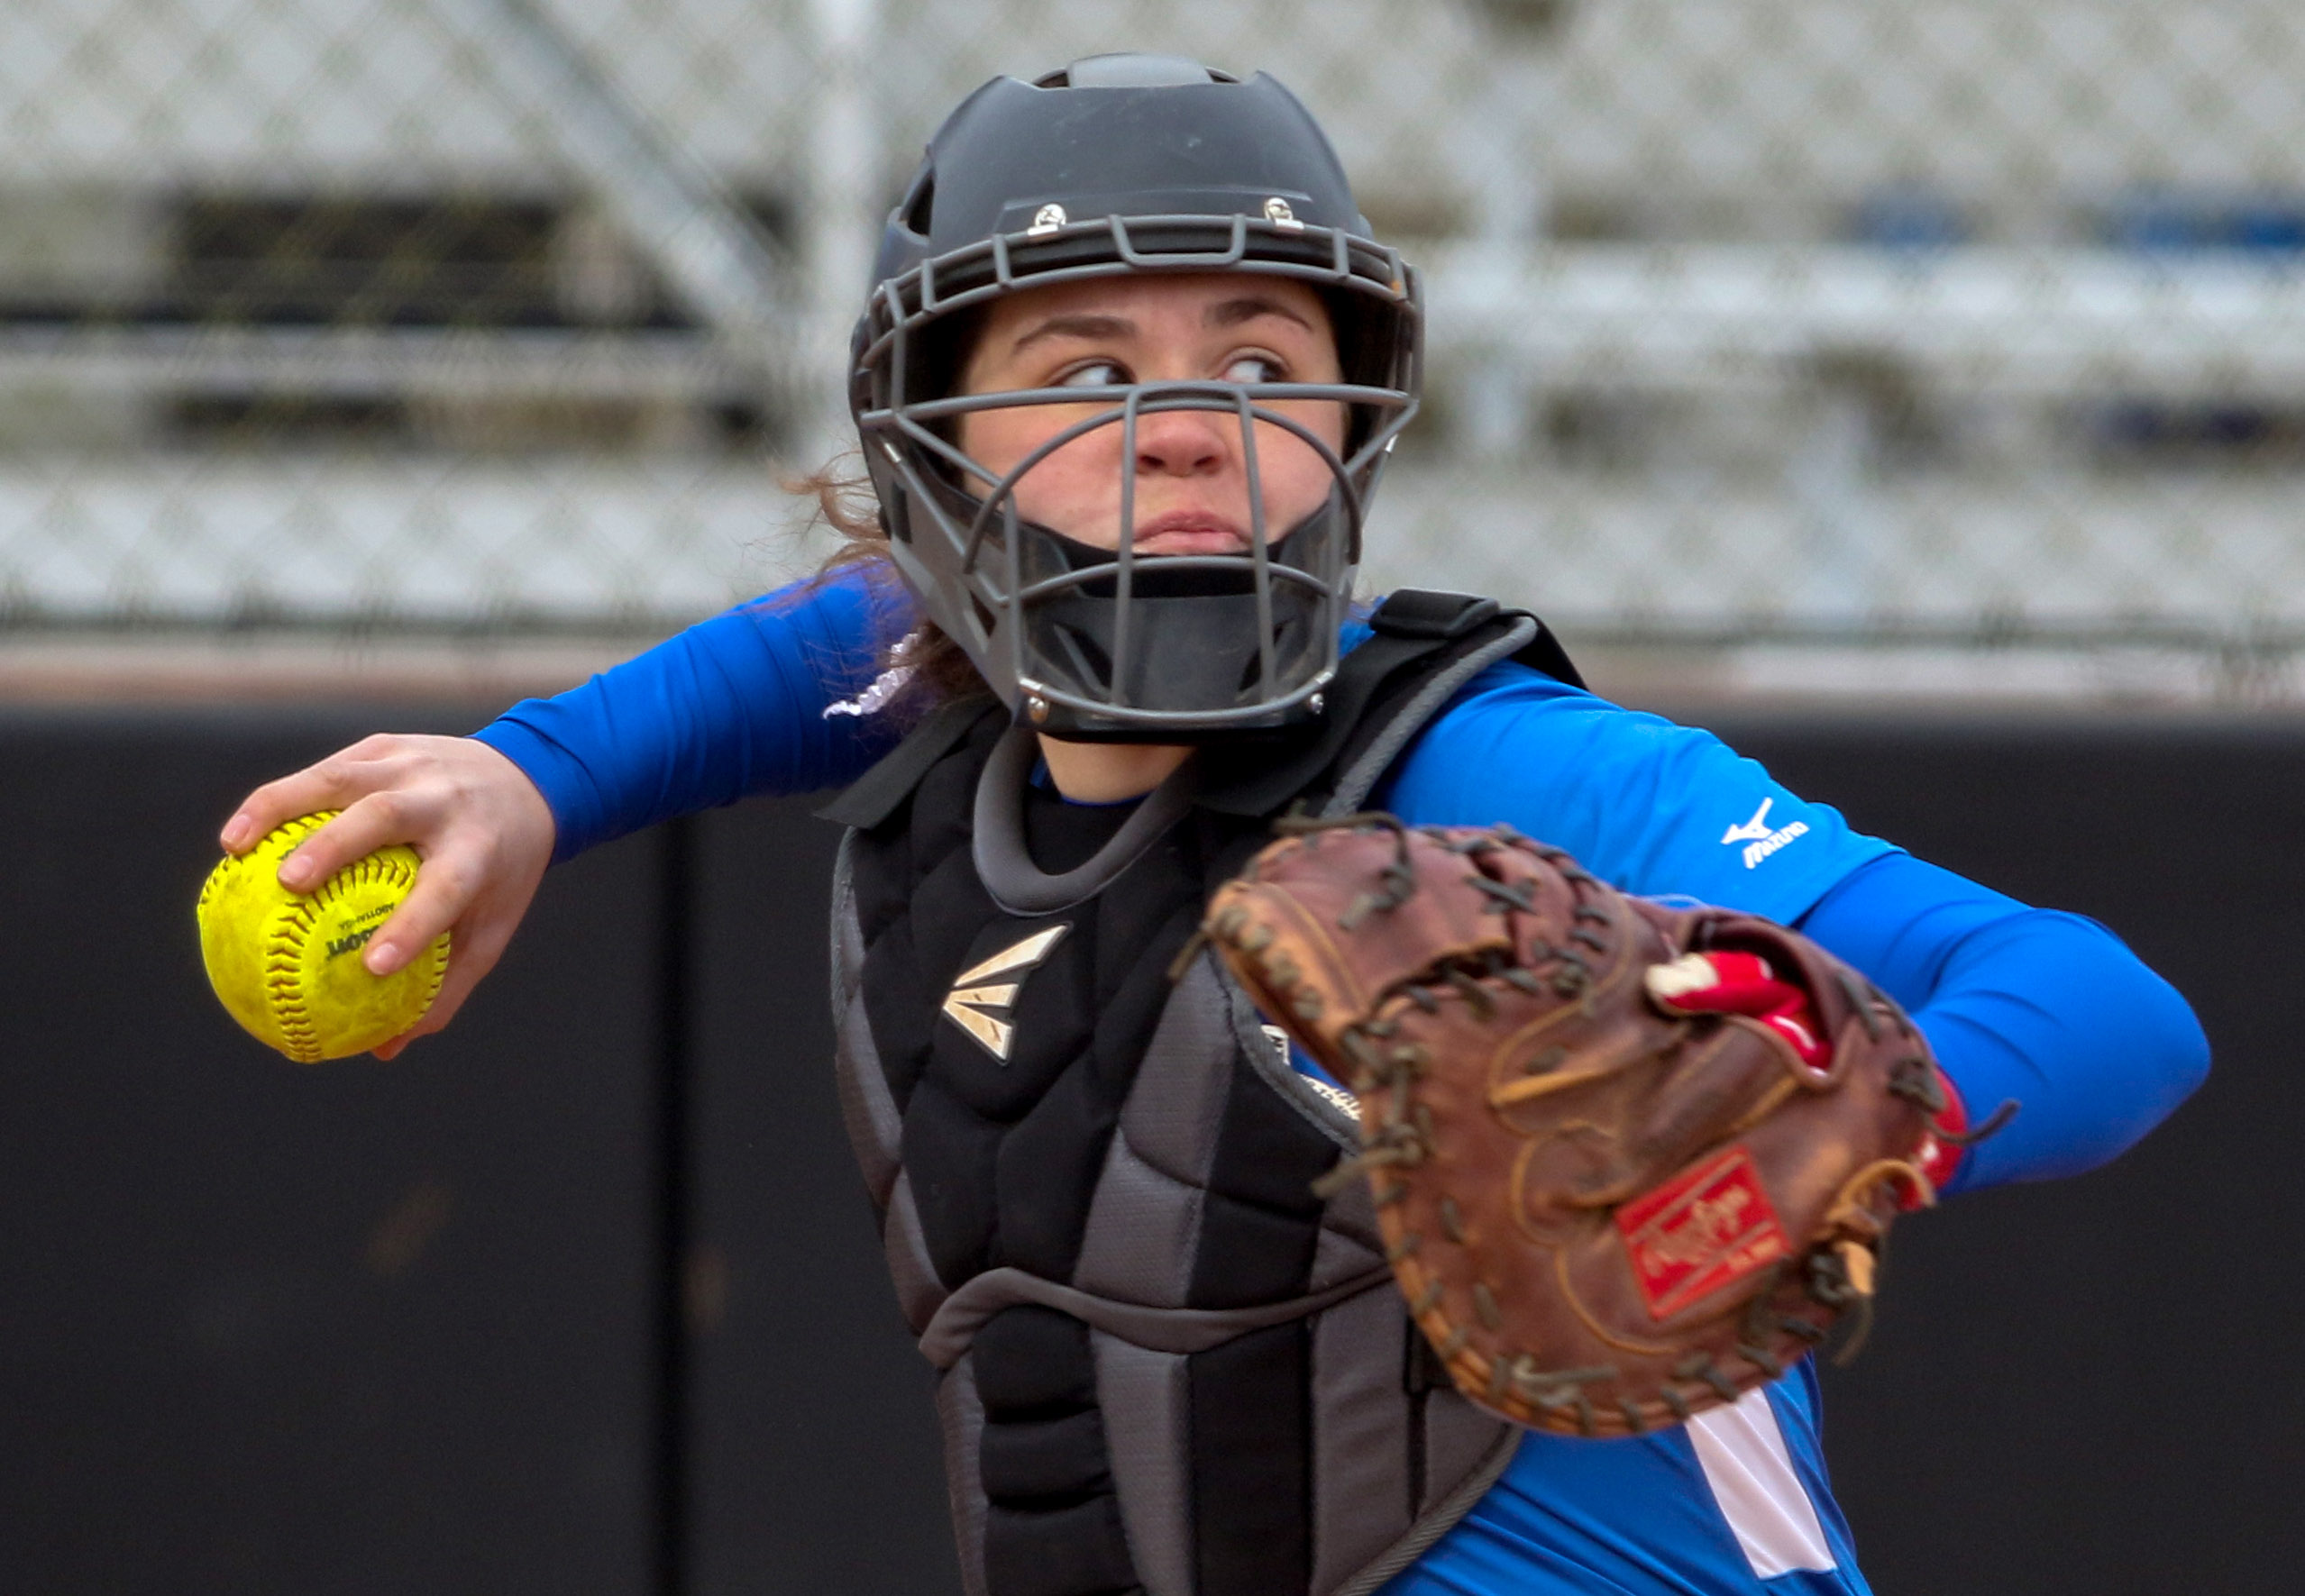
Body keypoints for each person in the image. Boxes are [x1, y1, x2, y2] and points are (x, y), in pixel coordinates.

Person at [219, 55, 2208, 1596]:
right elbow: (835, 641)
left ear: (1349, 427)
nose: (1189, 425)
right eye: (1083, 370)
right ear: (932, 449)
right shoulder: (943, 749)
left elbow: (2105, 1002)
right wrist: (534, 777)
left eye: (1264, 361)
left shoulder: (1481, 775)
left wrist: (1817, 1137)